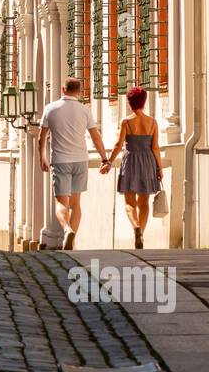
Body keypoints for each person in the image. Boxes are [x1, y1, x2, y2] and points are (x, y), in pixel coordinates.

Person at [37, 77, 110, 250]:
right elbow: (95, 136)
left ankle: (67, 230)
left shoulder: (51, 109)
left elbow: (42, 136)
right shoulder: (85, 110)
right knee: (76, 204)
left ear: (63, 89)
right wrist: (104, 158)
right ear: (80, 91)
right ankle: (72, 241)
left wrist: (42, 157)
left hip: (61, 161)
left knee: (61, 203)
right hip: (80, 160)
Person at [101, 86, 163, 249]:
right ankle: (141, 232)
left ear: (129, 102)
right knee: (144, 201)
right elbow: (155, 147)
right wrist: (159, 168)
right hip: (148, 161)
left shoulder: (126, 121)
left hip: (130, 161)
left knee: (129, 202)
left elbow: (118, 144)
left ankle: (135, 227)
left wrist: (108, 161)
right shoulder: (152, 122)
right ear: (144, 101)